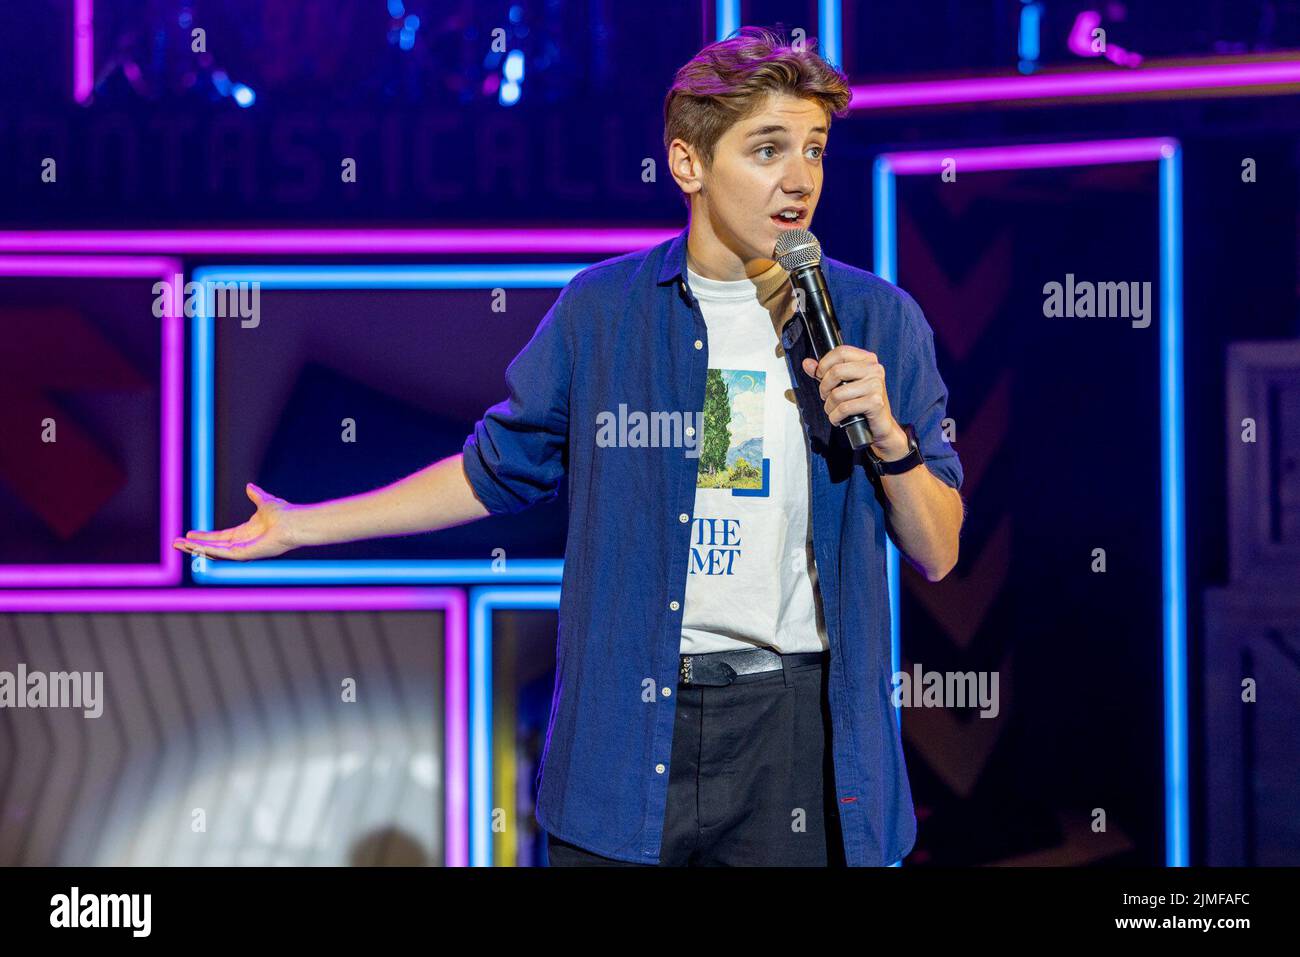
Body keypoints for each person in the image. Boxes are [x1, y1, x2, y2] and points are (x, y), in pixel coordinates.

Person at [174, 25, 965, 867]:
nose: (799, 179)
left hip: (794, 733)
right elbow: (492, 472)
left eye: (814, 150)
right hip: (629, 727)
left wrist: (890, 439)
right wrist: (305, 526)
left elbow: (940, 550)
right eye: (768, 149)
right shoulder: (603, 313)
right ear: (688, 164)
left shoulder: (877, 320)